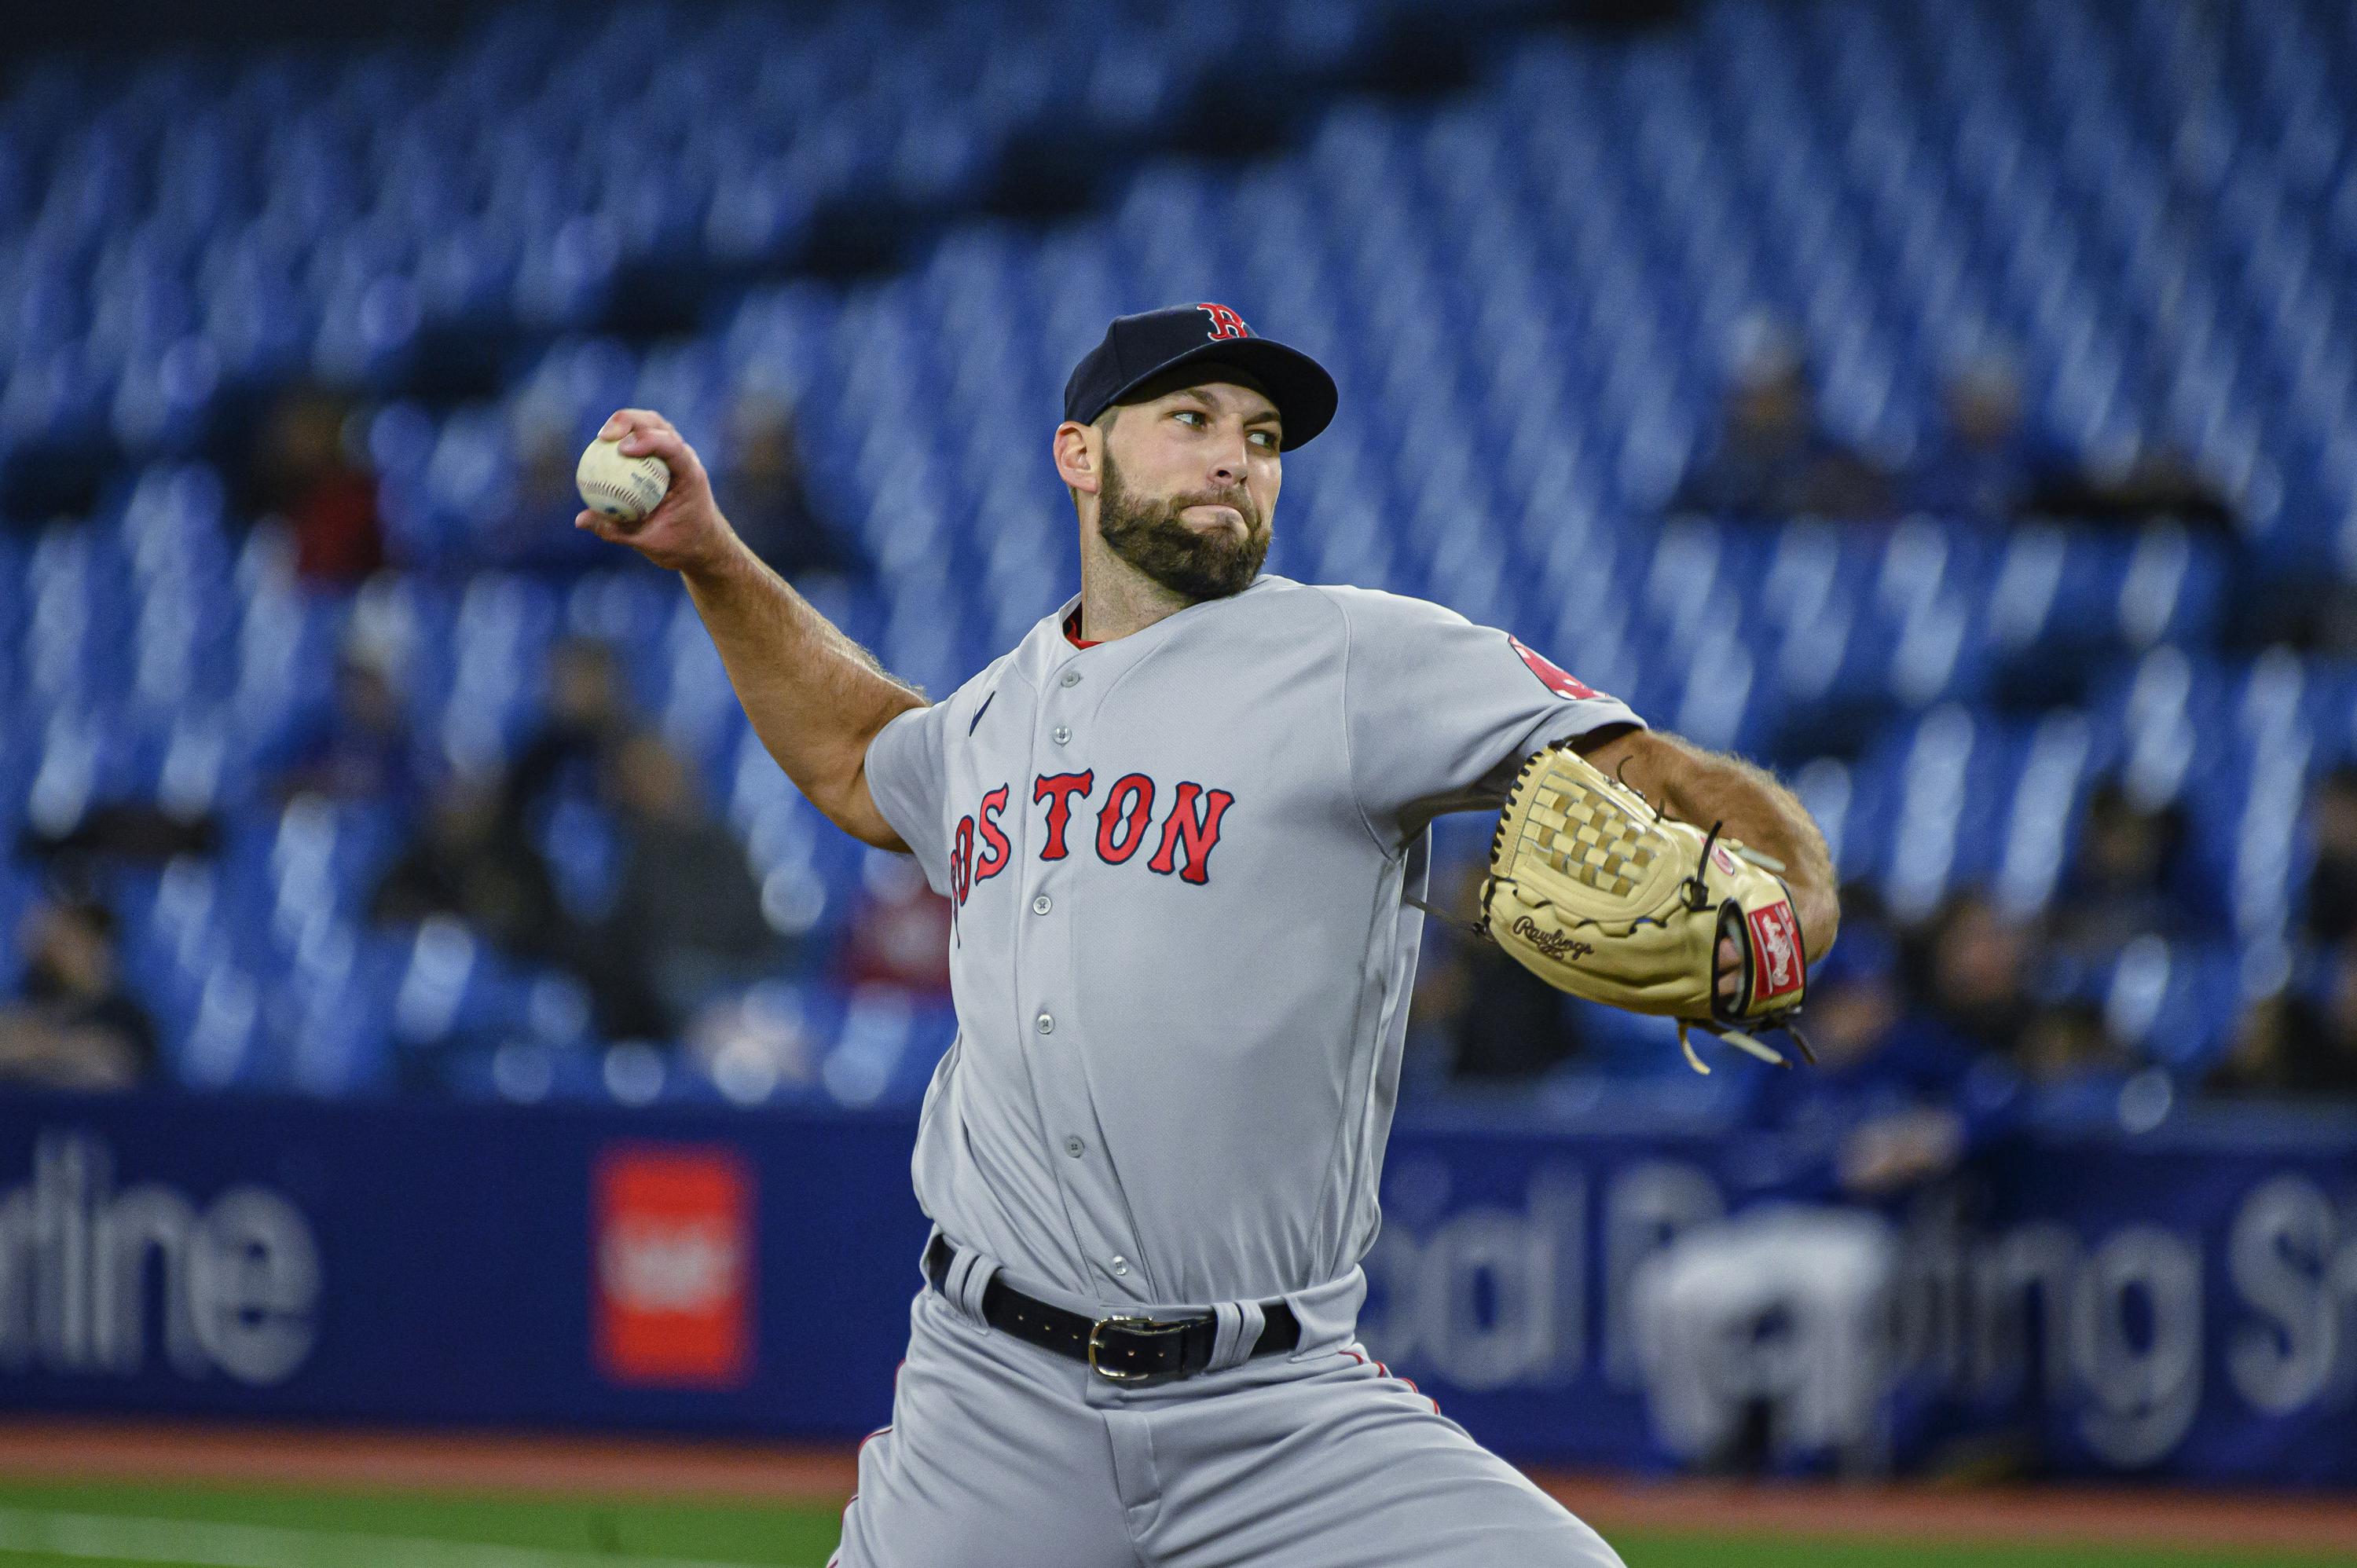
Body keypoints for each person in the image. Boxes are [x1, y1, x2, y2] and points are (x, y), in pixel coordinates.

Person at [577, 302, 1840, 1568]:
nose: (1236, 457)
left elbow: (1640, 764)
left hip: (1279, 1411)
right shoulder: (997, 711)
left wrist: (1795, 889)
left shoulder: (1355, 656)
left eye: (1264, 435)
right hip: (989, 1403)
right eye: (1191, 419)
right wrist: (712, 558)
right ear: (1080, 454)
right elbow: (858, 756)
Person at [1673, 320, 1890, 520]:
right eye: (1754, 396)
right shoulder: (1714, 488)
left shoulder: (1843, 478)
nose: (1765, 409)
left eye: (1776, 394)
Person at [0, 894, 157, 1090]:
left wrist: (44, 1046)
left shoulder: (126, 1016)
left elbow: (115, 1068)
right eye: (55, 941)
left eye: (70, 942)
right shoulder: (27, 1005)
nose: (55, 953)